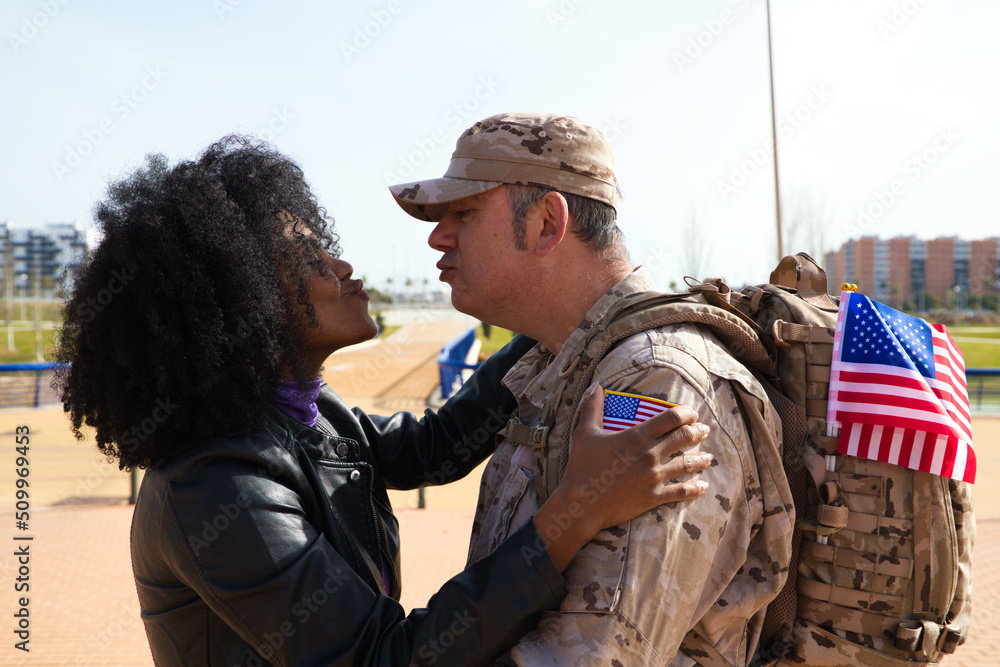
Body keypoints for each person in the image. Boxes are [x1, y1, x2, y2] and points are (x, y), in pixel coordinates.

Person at [55, 135, 715, 667]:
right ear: (243, 303)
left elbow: (435, 445)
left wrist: (574, 313)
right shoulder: (215, 487)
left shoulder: (310, 417)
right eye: (310, 259)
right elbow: (383, 655)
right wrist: (576, 510)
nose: (343, 268)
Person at [389, 112, 795, 665]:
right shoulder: (562, 361)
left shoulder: (654, 382)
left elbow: (593, 657)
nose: (439, 236)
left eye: (465, 211)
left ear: (546, 224)